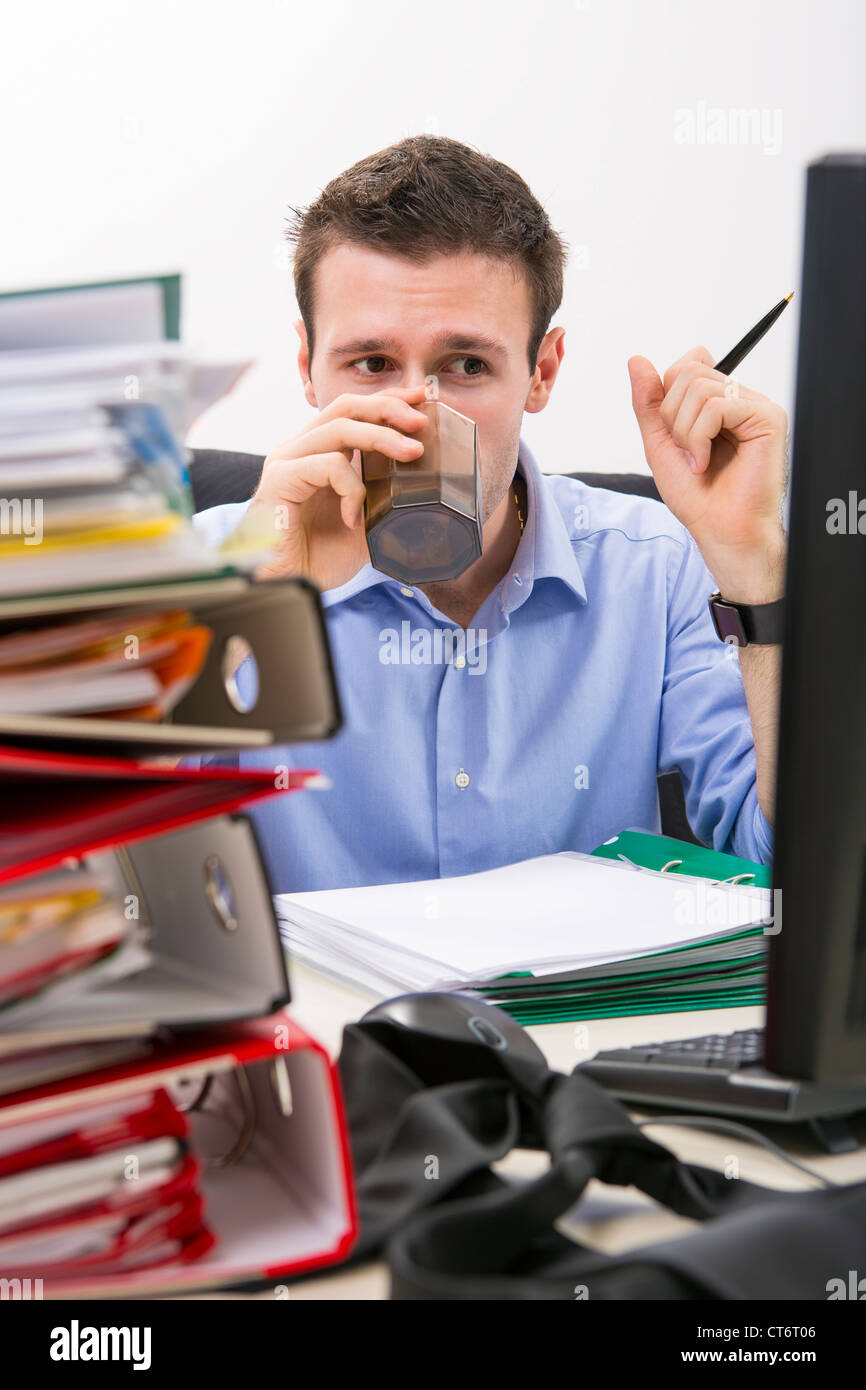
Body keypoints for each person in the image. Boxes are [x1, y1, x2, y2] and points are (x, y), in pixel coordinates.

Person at [193, 135, 786, 893]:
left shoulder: (655, 567)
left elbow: (788, 866)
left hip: (569, 1014)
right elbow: (95, 876)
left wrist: (754, 562)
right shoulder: (214, 564)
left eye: (466, 366)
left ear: (541, 372)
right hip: (316, 1014)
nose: (415, 414)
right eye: (371, 364)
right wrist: (253, 609)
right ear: (307, 365)